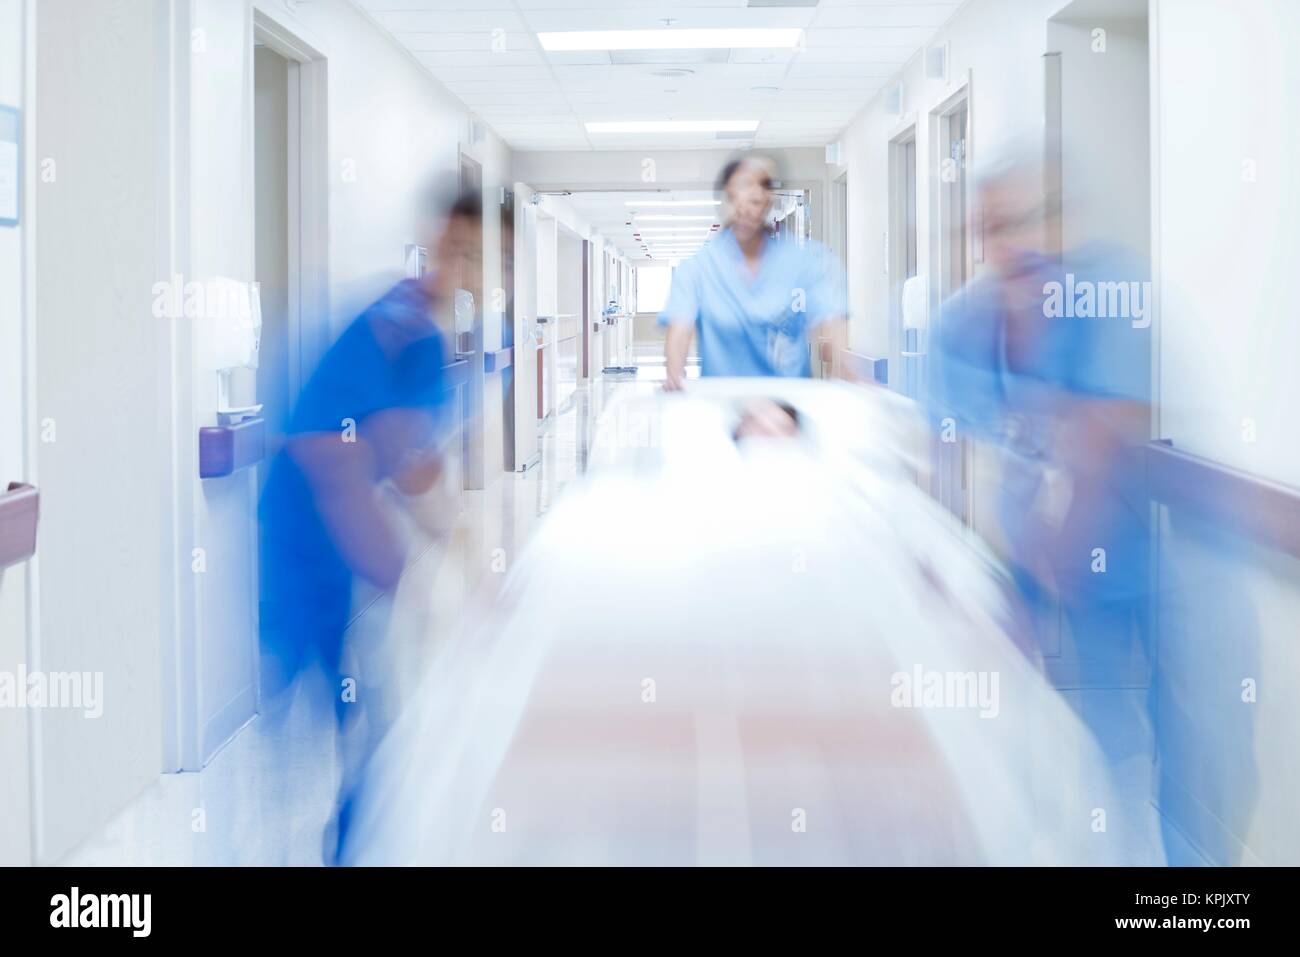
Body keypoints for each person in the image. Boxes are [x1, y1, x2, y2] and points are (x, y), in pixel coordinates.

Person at [258, 186, 482, 862]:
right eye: (453, 248)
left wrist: (464, 554)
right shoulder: (390, 327)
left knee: (374, 728)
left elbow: (411, 465)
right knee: (335, 722)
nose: (459, 268)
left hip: (342, 561)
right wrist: (408, 574)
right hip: (305, 559)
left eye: (475, 257)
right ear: (431, 241)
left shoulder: (423, 342)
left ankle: (350, 841)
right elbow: (335, 459)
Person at [658, 155, 851, 391]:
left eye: (763, 187)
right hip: (723, 404)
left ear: (768, 200)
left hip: (788, 407)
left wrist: (845, 370)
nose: (754, 197)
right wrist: (675, 376)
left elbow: (831, 322)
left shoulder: (805, 262)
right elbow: (680, 328)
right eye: (744, 187)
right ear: (726, 196)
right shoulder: (697, 270)